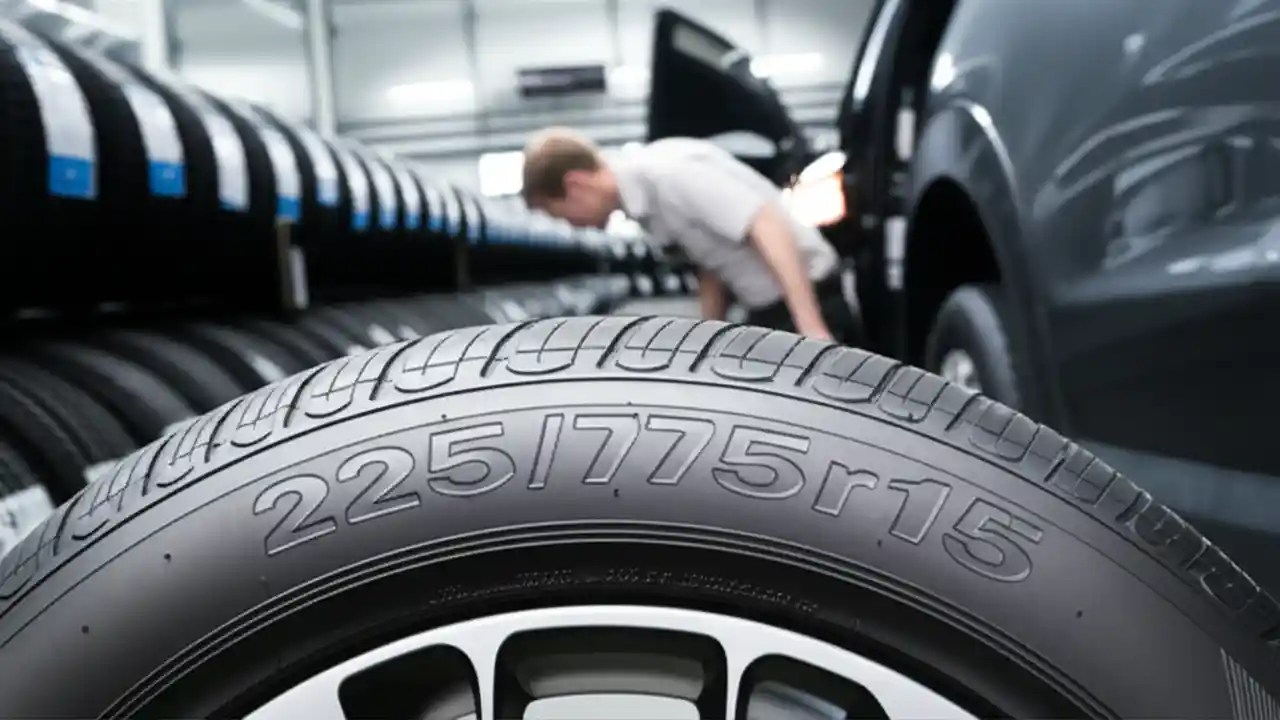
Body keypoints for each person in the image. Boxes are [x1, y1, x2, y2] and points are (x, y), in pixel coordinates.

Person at [521, 128, 860, 343]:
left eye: (557, 212)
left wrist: (811, 328)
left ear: (575, 185)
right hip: (774, 309)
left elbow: (765, 224)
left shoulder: (668, 175)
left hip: (807, 299)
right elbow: (712, 261)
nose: (569, 225)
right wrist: (708, 338)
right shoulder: (641, 198)